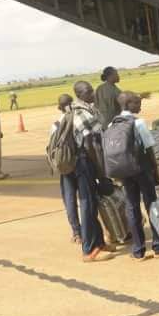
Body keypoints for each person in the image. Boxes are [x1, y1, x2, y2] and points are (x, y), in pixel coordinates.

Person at [117, 91, 159, 261]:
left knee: (132, 208)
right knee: (151, 205)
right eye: (136, 103)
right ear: (128, 104)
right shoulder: (138, 123)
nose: (140, 106)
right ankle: (158, 247)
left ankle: (138, 250)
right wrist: (155, 172)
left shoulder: (112, 124)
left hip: (125, 172)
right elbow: (149, 150)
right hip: (142, 170)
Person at [69, 81, 114, 262]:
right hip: (85, 163)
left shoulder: (88, 109)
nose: (92, 93)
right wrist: (100, 172)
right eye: (88, 91)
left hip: (89, 161)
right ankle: (88, 250)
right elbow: (90, 145)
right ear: (79, 94)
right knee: (87, 205)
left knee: (93, 204)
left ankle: (99, 243)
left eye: (91, 89)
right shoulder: (80, 113)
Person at [50, 94, 81, 244]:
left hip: (65, 166)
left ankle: (76, 232)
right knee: (87, 198)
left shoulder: (55, 125)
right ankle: (92, 229)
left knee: (69, 199)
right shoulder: (76, 120)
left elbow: (51, 147)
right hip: (79, 163)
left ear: (59, 107)